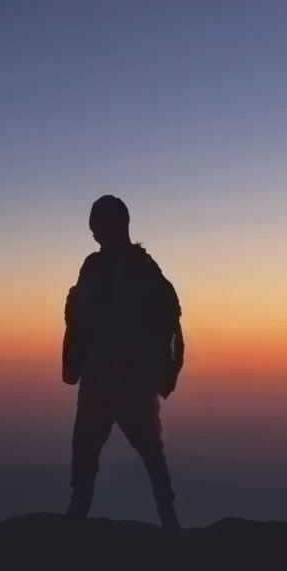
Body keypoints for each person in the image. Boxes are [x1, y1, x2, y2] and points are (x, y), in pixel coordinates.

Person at [62, 195, 184, 532]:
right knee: (95, 452)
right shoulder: (111, 267)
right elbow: (80, 316)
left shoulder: (139, 271)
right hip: (112, 378)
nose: (95, 230)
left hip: (124, 379)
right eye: (93, 224)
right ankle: (80, 515)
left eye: (99, 223)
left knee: (143, 454)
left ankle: (168, 522)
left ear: (119, 224)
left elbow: (166, 323)